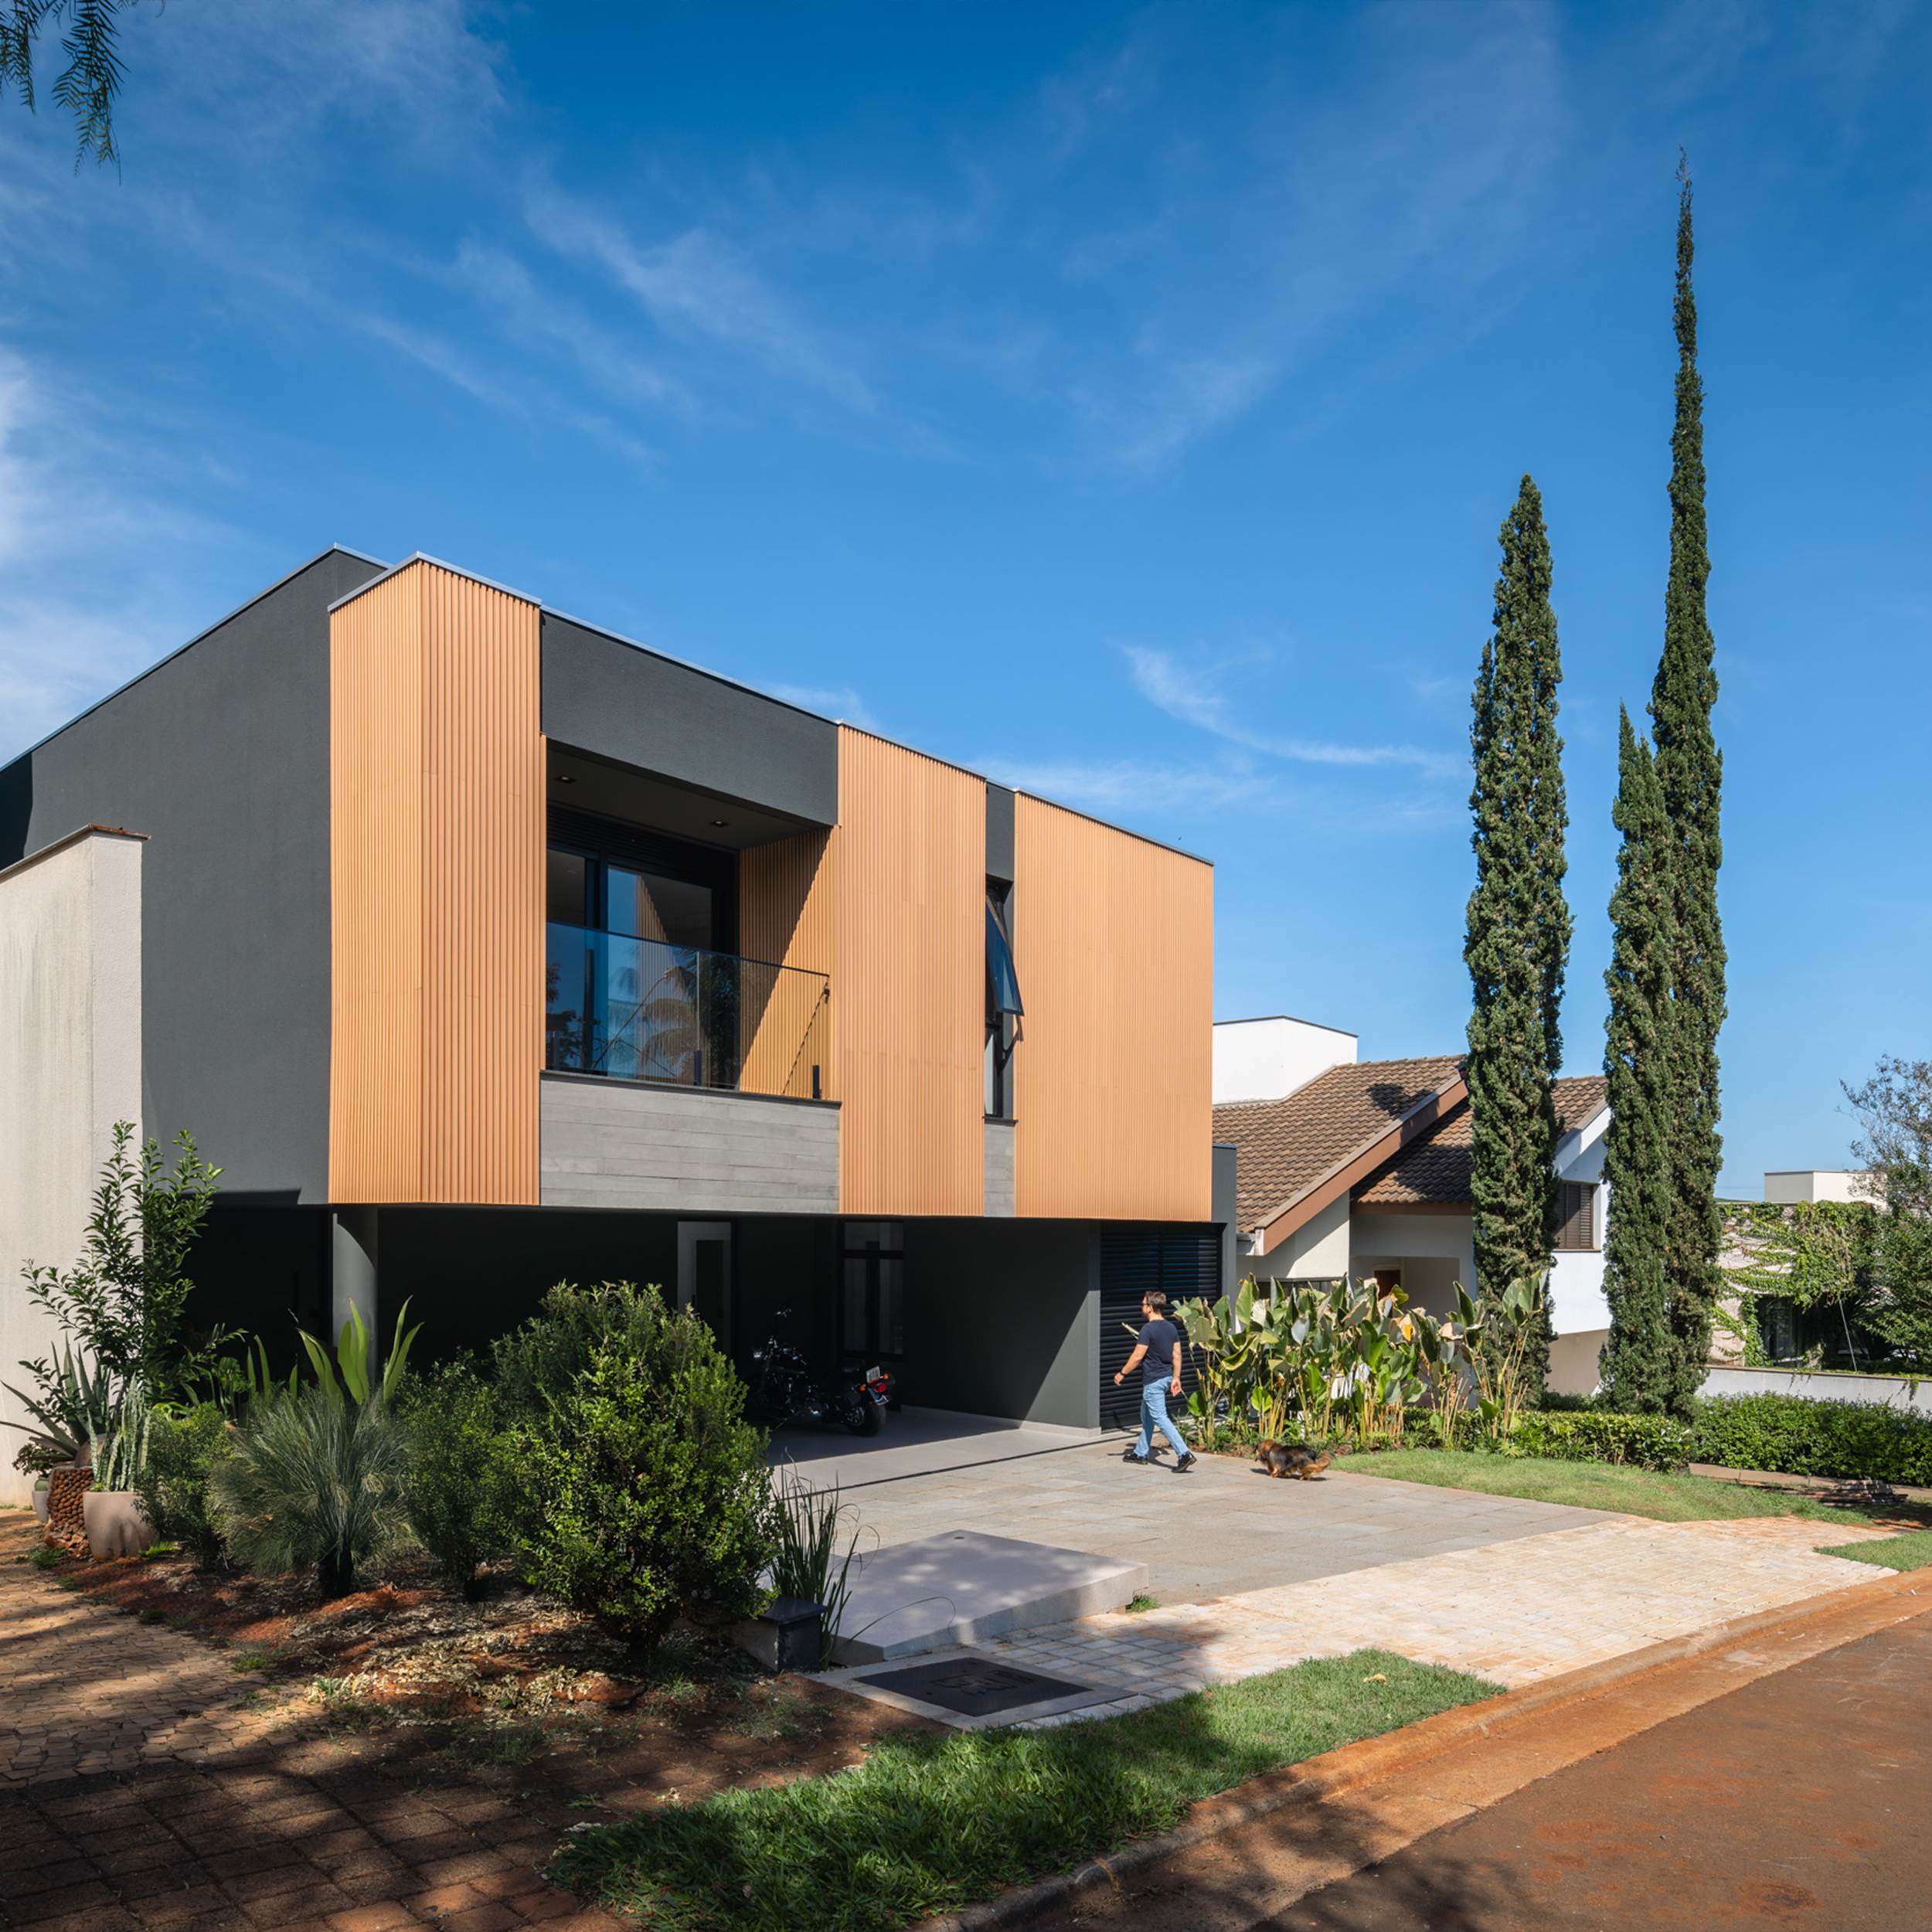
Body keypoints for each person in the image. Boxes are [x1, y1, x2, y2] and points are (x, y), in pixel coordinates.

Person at [1113, 1291, 1196, 1472]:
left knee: (1160, 1417)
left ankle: (1184, 1454)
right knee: (1147, 1416)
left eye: (1143, 1305)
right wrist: (1176, 1378)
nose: (1141, 1307)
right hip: (1165, 1378)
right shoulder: (1171, 1328)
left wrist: (1122, 1373)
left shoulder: (1148, 1329)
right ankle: (1141, 1453)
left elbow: (1137, 1356)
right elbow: (1177, 1354)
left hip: (1154, 1381)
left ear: (1150, 1307)